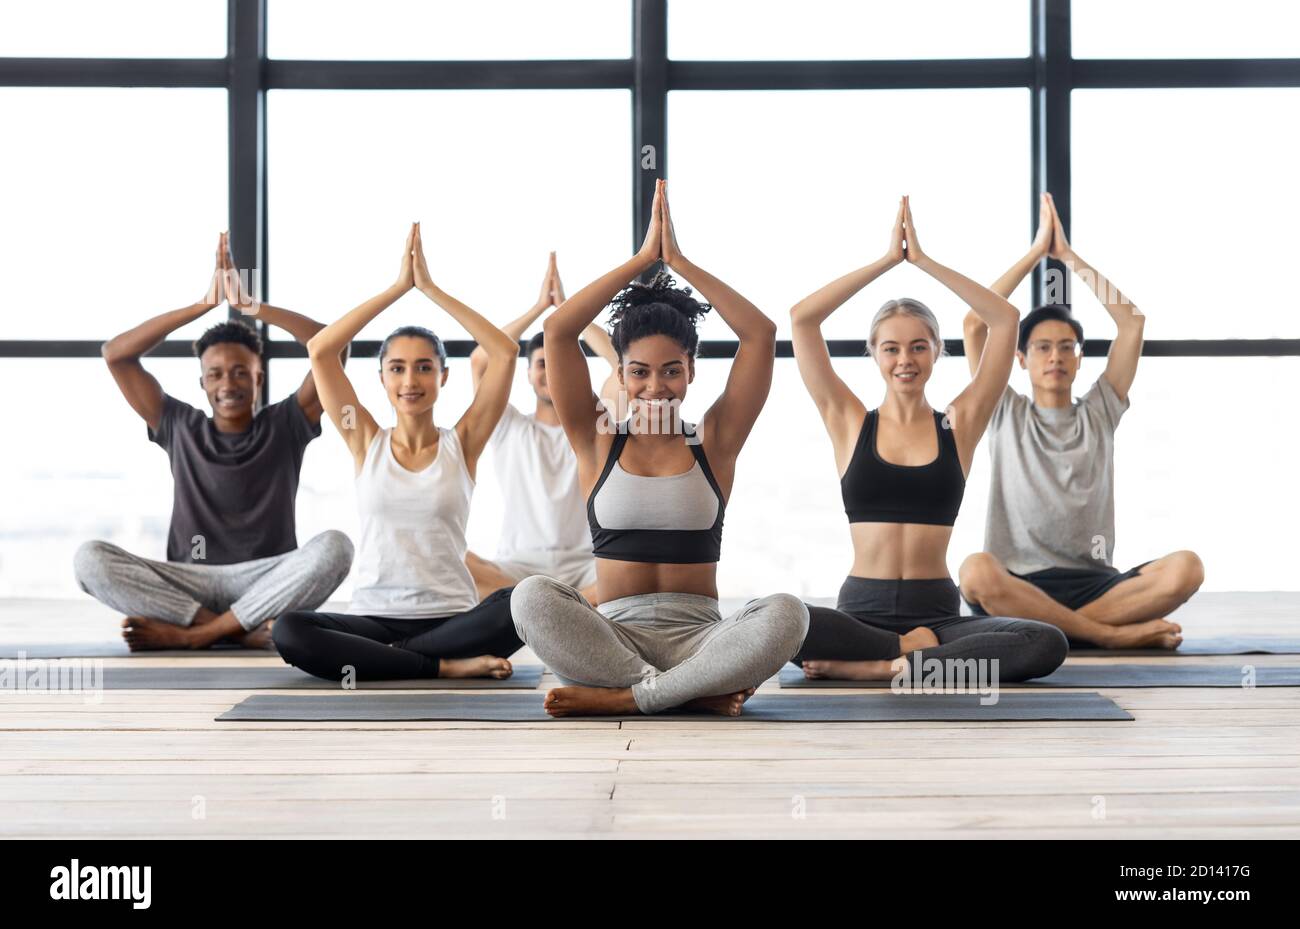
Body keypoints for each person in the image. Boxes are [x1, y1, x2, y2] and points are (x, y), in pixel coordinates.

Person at [510, 179, 809, 716]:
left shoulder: (715, 442)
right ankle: (689, 692)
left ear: (691, 371)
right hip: (613, 640)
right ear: (620, 374)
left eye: (672, 371)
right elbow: (558, 331)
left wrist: (681, 262)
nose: (655, 386)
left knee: (788, 613)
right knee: (529, 596)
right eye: (640, 372)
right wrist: (642, 259)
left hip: (702, 638)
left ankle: (633, 697)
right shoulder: (596, 439)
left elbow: (760, 334)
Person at [788, 196, 1068, 683]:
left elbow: (1003, 319)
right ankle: (904, 655)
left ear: (938, 351)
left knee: (1044, 643)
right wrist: (884, 263)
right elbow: (803, 319)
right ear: (873, 353)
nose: (905, 360)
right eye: (891, 348)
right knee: (775, 619)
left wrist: (923, 263)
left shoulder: (959, 424)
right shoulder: (850, 420)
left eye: (919, 346)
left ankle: (886, 667)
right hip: (860, 612)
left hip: (936, 615)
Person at [73, 233, 353, 651]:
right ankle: (233, 630)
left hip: (266, 579)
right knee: (88, 560)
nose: (228, 383)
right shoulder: (177, 424)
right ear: (202, 382)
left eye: (241, 372)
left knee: (336, 547)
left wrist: (250, 307)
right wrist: (202, 305)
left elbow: (333, 346)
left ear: (259, 379)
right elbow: (115, 354)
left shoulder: (288, 423)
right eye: (216, 373)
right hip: (192, 581)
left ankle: (198, 635)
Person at [272, 223, 523, 681]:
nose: (411, 381)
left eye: (424, 368)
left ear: (443, 377)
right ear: (383, 379)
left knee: (523, 602)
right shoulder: (364, 439)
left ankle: (391, 659)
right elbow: (321, 350)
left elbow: (504, 352)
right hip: (373, 616)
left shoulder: (463, 442)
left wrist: (429, 289)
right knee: (289, 629)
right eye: (398, 368)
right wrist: (396, 289)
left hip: (451, 618)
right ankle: (438, 666)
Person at [958, 193, 1202, 648]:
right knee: (975, 571)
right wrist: (1035, 254)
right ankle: (1107, 635)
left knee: (1187, 567)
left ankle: (1060, 629)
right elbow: (976, 323)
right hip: (1017, 581)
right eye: (1043, 347)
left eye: (1066, 346)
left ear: (1079, 357)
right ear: (1020, 359)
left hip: (1094, 583)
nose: (1055, 356)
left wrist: (1069, 258)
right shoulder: (1003, 409)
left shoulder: (1100, 410)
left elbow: (1131, 322)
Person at [464, 252, 620, 604]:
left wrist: (567, 312)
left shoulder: (594, 428)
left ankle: (555, 604)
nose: (550, 372)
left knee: (635, 572)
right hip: (519, 568)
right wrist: (539, 309)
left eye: (559, 364)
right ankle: (562, 605)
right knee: (450, 558)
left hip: (586, 565)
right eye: (541, 364)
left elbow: (622, 364)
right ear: (528, 373)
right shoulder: (509, 426)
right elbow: (481, 359)